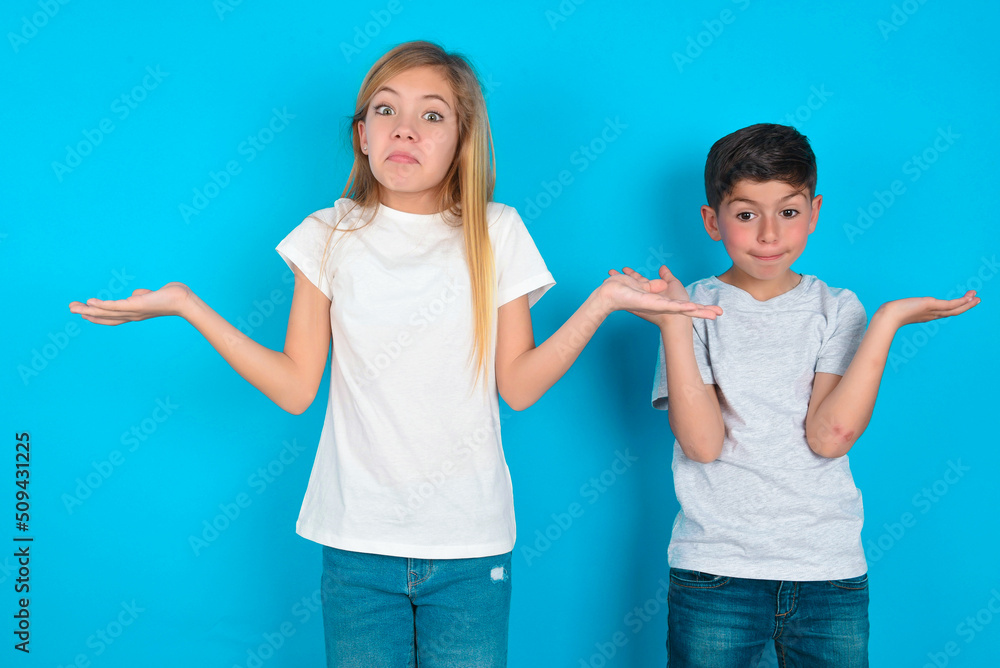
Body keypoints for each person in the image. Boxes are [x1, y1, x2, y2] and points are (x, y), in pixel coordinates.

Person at [68, 41, 721, 667]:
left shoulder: (496, 231)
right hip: (356, 546)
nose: (404, 130)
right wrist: (190, 306)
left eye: (430, 115)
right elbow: (296, 386)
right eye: (386, 110)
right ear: (362, 134)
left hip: (470, 545)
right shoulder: (328, 235)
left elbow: (517, 385)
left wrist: (601, 302)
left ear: (461, 140)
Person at [617, 123, 979, 667]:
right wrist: (672, 326)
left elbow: (829, 437)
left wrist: (887, 322)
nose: (768, 234)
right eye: (746, 214)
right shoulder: (689, 306)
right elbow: (702, 443)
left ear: (813, 211)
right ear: (712, 221)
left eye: (788, 212)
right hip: (716, 572)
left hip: (827, 574)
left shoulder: (838, 309)